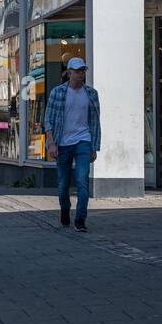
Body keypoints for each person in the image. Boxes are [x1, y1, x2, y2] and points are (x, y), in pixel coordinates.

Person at [44, 56, 101, 232]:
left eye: (83, 70)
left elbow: (95, 121)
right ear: (69, 72)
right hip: (63, 142)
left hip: (83, 140)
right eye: (77, 71)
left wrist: (94, 147)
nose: (80, 74)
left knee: (82, 181)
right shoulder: (58, 93)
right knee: (62, 185)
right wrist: (51, 143)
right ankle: (65, 210)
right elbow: (48, 120)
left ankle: (80, 220)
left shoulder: (91, 93)